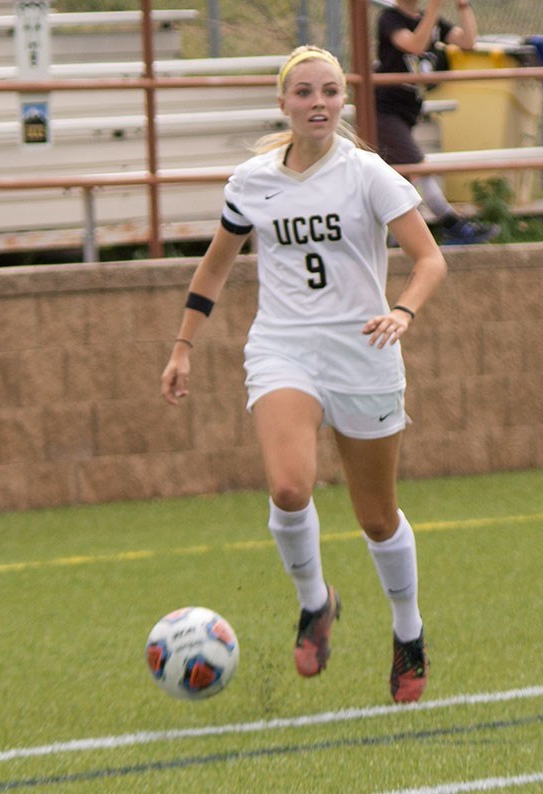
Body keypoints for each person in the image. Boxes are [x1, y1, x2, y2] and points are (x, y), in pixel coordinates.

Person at [160, 45, 447, 703]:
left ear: (343, 102)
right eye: (305, 93)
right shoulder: (253, 182)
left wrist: (403, 310)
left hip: (364, 351)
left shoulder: (368, 175)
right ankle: (316, 602)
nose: (318, 103)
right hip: (282, 347)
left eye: (330, 92)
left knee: (376, 518)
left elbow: (430, 260)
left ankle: (408, 632)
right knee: (290, 489)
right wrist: (183, 346)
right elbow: (214, 267)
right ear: (283, 102)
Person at [375, 0, 499, 245]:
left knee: (399, 175)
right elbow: (414, 46)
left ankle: (395, 239)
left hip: (407, 110)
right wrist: (434, 9)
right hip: (383, 108)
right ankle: (451, 223)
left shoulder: (431, 20)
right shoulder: (390, 18)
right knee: (417, 166)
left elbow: (468, 42)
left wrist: (463, 7)